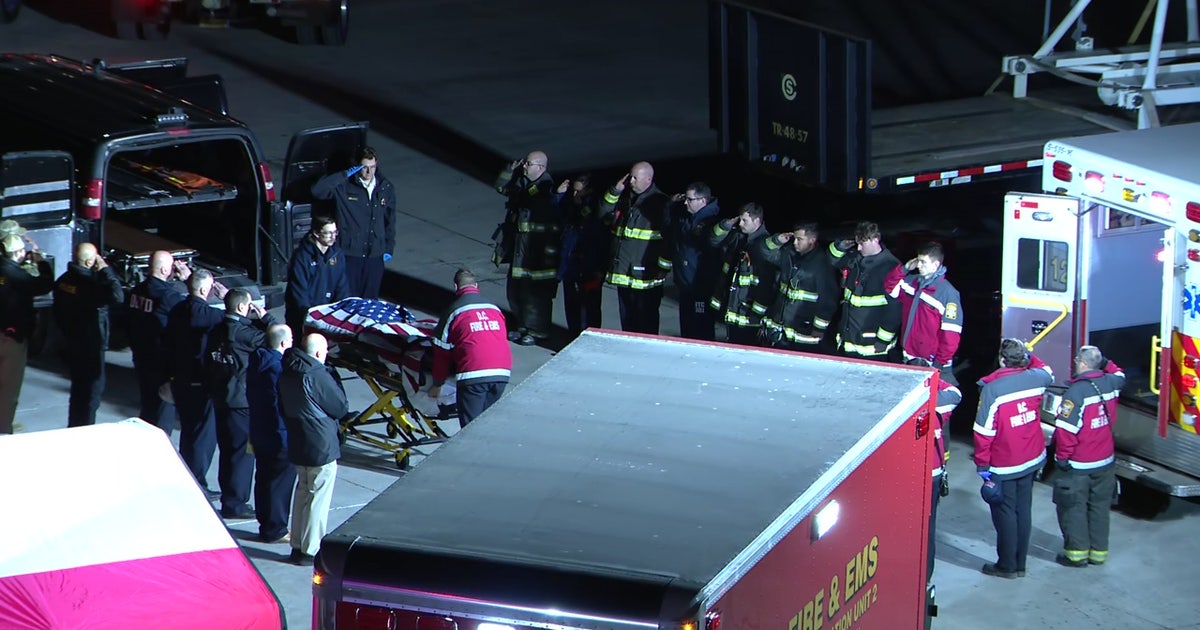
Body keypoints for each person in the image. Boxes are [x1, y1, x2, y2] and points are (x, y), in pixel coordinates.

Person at [974, 338, 1054, 579]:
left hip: (1004, 463)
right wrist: (1029, 354)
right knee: (1023, 510)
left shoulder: (993, 389)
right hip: (1031, 458)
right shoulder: (1038, 378)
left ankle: (1007, 565)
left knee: (1005, 513)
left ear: (1001, 360)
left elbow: (983, 432)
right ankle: (1020, 564)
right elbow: (1047, 369)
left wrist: (982, 465)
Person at [205, 288, 279, 519]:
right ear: (241, 307)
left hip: (220, 397)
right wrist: (266, 316)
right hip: (241, 402)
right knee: (242, 454)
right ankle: (235, 503)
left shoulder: (215, 328)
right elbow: (278, 336)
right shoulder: (246, 335)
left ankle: (230, 497)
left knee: (227, 450)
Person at [278, 333, 348, 566]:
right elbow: (339, 407)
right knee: (318, 496)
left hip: (299, 438)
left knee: (303, 492)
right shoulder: (316, 374)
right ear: (319, 353)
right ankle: (311, 549)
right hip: (321, 442)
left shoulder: (288, 371)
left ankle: (297, 544)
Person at [1052, 346, 1125, 568]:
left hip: (1079, 463)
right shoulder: (1112, 382)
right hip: (1105, 460)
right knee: (1100, 507)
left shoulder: (1076, 392)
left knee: (1073, 507)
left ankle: (1076, 555)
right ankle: (1098, 553)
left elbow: (1066, 431)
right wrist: (1103, 361)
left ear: (1082, 364)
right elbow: (1120, 373)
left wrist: (1062, 458)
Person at [166, 268, 228, 498]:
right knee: (203, 436)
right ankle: (197, 482)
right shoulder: (209, 315)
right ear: (204, 289)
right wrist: (227, 297)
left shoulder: (177, 310)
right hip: (201, 382)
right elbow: (235, 319)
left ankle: (187, 476)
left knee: (189, 432)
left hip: (180, 379)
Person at [52, 243, 124, 428]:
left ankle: (74, 426)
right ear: (90, 261)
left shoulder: (64, 281)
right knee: (92, 392)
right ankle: (85, 428)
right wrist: (106, 270)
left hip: (73, 340)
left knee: (78, 391)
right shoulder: (90, 286)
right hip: (92, 343)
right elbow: (117, 295)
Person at [428, 269, 512, 427]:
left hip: (474, 374)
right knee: (486, 424)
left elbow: (441, 353)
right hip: (502, 373)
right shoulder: (494, 308)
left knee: (470, 427)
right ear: (476, 285)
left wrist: (437, 384)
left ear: (455, 286)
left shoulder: (454, 311)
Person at [311, 146, 396, 299]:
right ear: (356, 166)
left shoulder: (385, 187)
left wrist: (388, 247)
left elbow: (389, 221)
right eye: (364, 168)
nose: (369, 172)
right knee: (349, 300)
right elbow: (318, 191)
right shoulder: (344, 186)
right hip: (350, 254)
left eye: (373, 167)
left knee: (370, 301)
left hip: (375, 255)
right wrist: (343, 174)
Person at [598, 161, 672, 334]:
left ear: (648, 179)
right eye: (630, 176)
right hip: (624, 273)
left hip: (646, 276)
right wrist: (614, 191)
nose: (630, 181)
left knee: (646, 321)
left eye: (635, 178)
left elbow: (668, 240)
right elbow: (602, 215)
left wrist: (663, 267)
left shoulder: (661, 203)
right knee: (627, 320)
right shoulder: (625, 198)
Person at [494, 151, 558, 345]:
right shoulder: (523, 183)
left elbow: (529, 204)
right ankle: (522, 325)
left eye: (528, 164)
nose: (524, 167)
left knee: (536, 296)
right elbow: (501, 188)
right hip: (519, 250)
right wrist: (508, 171)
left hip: (536, 254)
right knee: (515, 292)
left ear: (540, 167)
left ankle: (538, 331)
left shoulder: (546, 189)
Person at [128, 251, 192, 434]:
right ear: (165, 269)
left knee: (148, 407)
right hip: (162, 363)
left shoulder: (136, 291)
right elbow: (193, 311)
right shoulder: (168, 297)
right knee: (163, 412)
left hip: (141, 357)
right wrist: (188, 280)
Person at [247, 324, 298, 545]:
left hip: (259, 429)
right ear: (284, 343)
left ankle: (265, 523)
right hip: (280, 433)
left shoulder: (257, 361)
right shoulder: (279, 370)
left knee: (264, 477)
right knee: (280, 482)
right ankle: (276, 528)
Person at [755, 222, 838, 352]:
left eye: (800, 239)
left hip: (803, 335)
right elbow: (765, 253)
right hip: (780, 332)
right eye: (794, 239)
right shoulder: (789, 254)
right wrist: (777, 240)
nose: (795, 243)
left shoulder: (821, 264)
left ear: (812, 240)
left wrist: (818, 328)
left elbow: (828, 301)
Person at [0, 233, 53, 434]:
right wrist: (42, 264)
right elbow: (43, 285)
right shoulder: (16, 276)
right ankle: (3, 432)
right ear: (18, 253)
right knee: (8, 390)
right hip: (10, 339)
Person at [885, 241, 963, 370]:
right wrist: (904, 269)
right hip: (909, 357)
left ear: (936, 265)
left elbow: (951, 335)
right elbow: (889, 286)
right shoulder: (912, 282)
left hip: (932, 363)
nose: (919, 265)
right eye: (918, 260)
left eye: (923, 262)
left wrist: (938, 364)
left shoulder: (948, 294)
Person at [829, 221, 901, 360]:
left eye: (863, 243)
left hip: (873, 348)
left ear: (875, 240)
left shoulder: (891, 268)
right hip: (848, 342)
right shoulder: (855, 259)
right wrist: (839, 247)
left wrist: (883, 340)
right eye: (858, 243)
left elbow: (895, 310)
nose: (859, 247)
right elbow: (832, 260)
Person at [709, 202, 774, 345]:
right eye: (740, 219)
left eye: (745, 220)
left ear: (757, 221)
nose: (741, 224)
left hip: (747, 314)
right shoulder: (738, 236)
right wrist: (726, 225)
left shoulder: (764, 245)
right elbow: (714, 240)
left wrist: (756, 314)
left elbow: (765, 285)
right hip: (733, 307)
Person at [554, 174, 609, 339]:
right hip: (570, 266)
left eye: (579, 191)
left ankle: (590, 339)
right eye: (573, 191)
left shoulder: (595, 209)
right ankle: (572, 337)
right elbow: (556, 215)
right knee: (571, 305)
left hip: (589, 268)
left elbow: (601, 240)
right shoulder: (571, 204)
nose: (574, 195)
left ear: (589, 190)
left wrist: (600, 268)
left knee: (590, 307)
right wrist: (559, 195)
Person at [667, 182, 721, 341]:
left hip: (700, 288)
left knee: (701, 331)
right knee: (687, 330)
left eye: (689, 199)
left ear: (703, 201)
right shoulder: (687, 217)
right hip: (686, 285)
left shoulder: (710, 223)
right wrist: (670, 206)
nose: (685, 202)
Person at [285, 215, 350, 339]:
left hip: (325, 314)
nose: (333, 237)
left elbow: (342, 285)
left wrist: (341, 310)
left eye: (335, 232)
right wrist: (308, 315)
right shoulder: (302, 257)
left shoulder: (337, 255)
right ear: (316, 233)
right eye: (328, 233)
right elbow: (299, 290)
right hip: (302, 315)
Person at [929, 373, 961, 582]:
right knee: (928, 530)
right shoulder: (939, 405)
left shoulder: (904, 405)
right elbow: (955, 392)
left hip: (913, 479)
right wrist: (933, 377)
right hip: (933, 475)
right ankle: (926, 576)